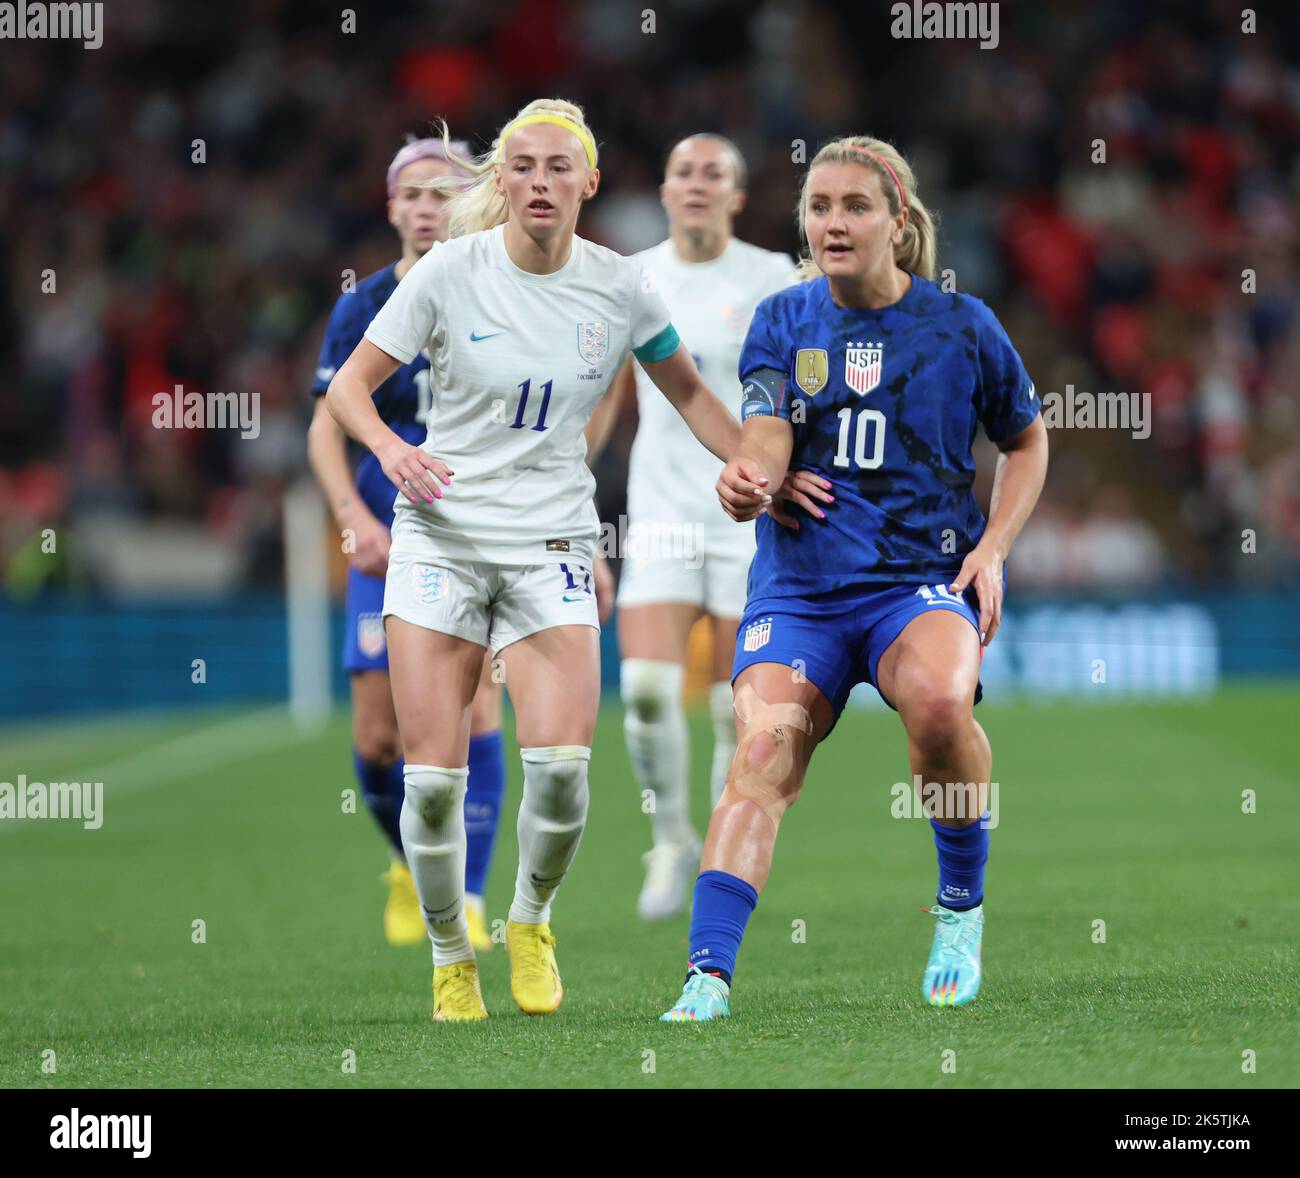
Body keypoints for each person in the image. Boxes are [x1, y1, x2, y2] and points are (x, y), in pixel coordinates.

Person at [325, 99, 744, 1021]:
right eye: (522, 166)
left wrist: (752, 463)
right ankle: (447, 954)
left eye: (561, 167)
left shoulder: (621, 286)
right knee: (432, 787)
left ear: (589, 183)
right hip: (441, 541)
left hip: (552, 542)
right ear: (501, 182)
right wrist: (393, 453)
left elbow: (691, 394)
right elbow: (352, 390)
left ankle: (530, 919)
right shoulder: (445, 273)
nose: (541, 182)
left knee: (562, 772)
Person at [659, 135, 1049, 1021]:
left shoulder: (962, 326)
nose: (834, 222)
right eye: (821, 207)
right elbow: (764, 430)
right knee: (760, 753)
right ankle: (707, 977)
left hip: (916, 582)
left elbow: (1026, 439)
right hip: (801, 588)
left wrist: (991, 549)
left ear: (898, 223)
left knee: (944, 708)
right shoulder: (785, 322)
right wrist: (748, 477)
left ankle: (958, 911)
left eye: (856, 206)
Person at [586, 134, 797, 920]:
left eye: (716, 173)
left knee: (730, 707)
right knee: (644, 693)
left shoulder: (773, 277)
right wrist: (569, 489)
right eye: (683, 172)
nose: (698, 183)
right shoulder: (634, 277)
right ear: (666, 190)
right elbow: (603, 396)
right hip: (665, 513)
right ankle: (668, 838)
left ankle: (713, 848)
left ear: (738, 196)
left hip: (747, 515)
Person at [308, 137, 507, 951]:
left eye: (442, 194)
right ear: (391, 207)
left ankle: (469, 897)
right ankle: (411, 860)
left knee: (479, 704)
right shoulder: (363, 306)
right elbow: (325, 427)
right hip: (387, 537)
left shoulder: (498, 291)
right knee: (376, 741)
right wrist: (352, 516)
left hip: (479, 527)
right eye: (413, 194)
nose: (427, 207)